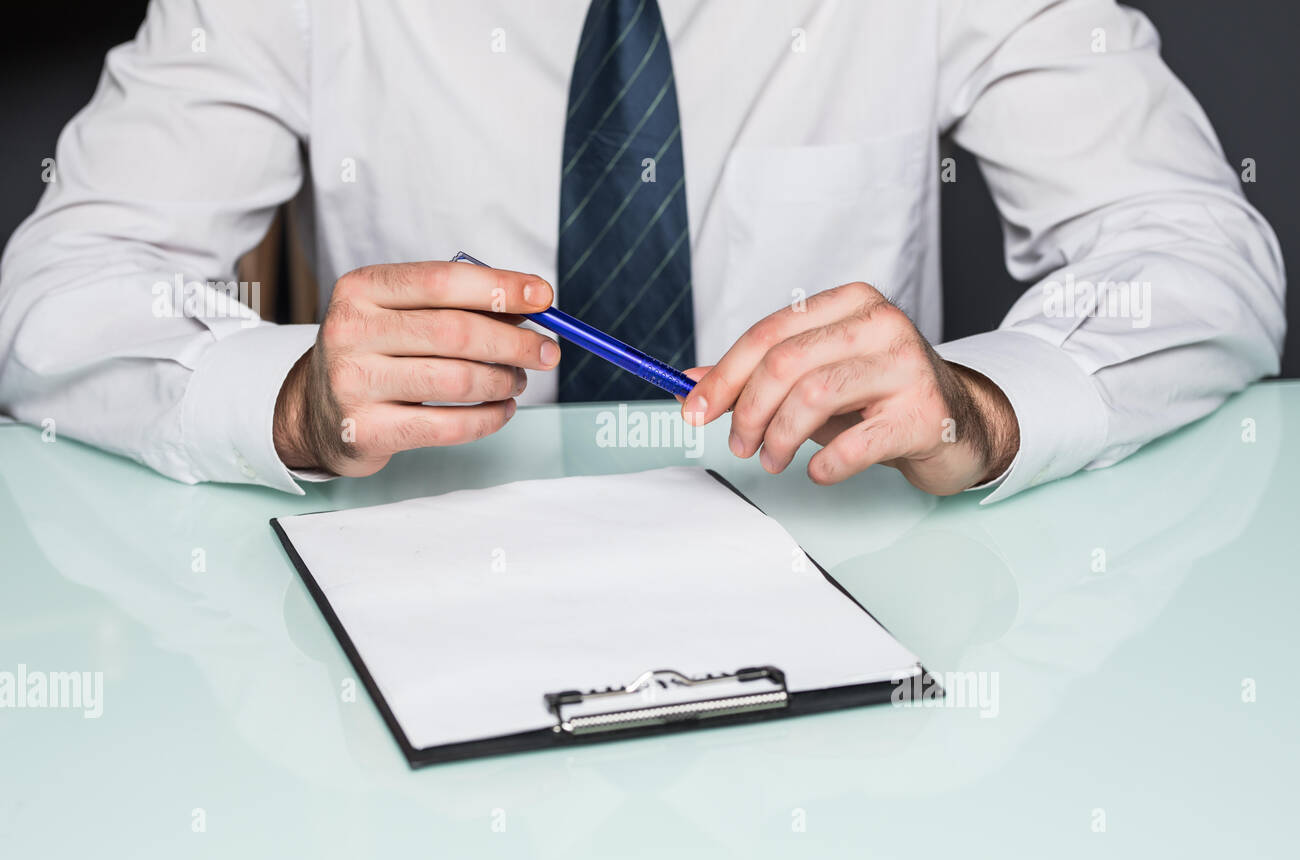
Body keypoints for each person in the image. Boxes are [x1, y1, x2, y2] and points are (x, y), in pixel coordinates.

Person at [0, 0, 1284, 502]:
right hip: (424, 611)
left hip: (868, 602)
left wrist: (986, 403)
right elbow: (65, 286)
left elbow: (1193, 245)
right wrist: (285, 401)